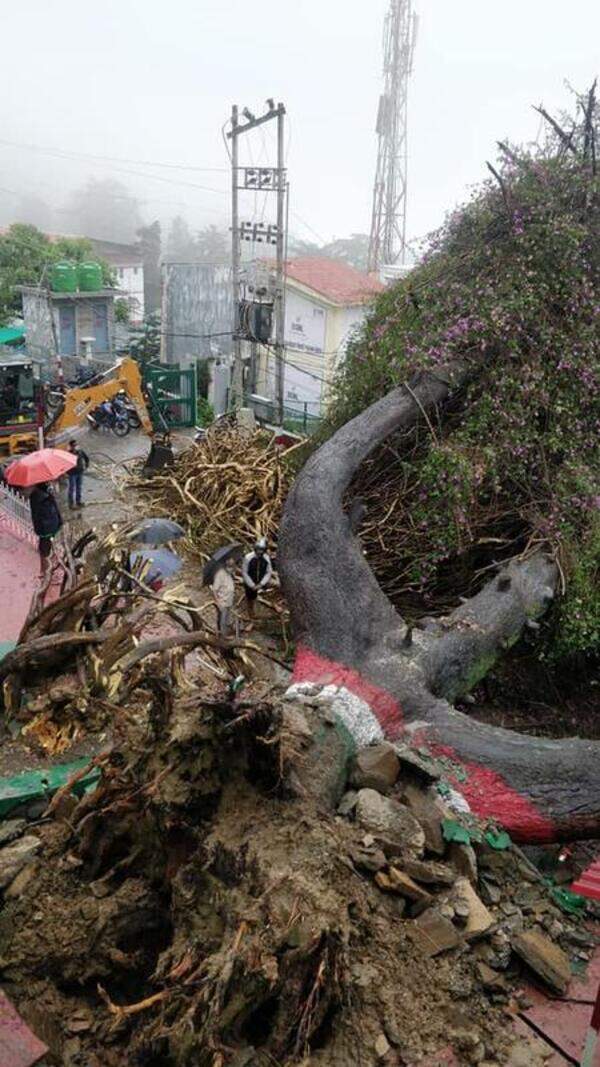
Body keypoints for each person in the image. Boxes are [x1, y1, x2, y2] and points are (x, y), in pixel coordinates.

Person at [29, 482, 63, 576]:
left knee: (44, 550)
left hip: (45, 528)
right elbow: (56, 509)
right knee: (46, 549)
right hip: (50, 526)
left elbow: (35, 515)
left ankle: (44, 571)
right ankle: (46, 570)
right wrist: (60, 521)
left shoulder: (35, 496)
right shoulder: (48, 495)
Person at [242, 537, 273, 618]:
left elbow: (269, 571)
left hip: (261, 580)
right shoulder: (248, 558)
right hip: (250, 581)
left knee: (275, 585)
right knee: (250, 597)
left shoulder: (266, 558)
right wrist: (252, 585)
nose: (260, 552)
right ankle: (250, 612)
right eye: (258, 549)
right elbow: (244, 572)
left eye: (262, 550)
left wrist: (261, 583)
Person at [212, 556, 236, 637]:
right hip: (222, 602)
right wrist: (218, 602)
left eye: (232, 566)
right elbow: (215, 589)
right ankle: (221, 637)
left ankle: (227, 634)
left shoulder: (230, 574)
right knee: (222, 621)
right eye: (230, 566)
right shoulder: (220, 574)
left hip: (229, 601)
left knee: (227, 619)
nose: (231, 568)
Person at [67, 439, 90, 509]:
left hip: (80, 472)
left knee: (79, 488)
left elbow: (86, 458)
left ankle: (78, 502)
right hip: (72, 474)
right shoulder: (68, 454)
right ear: (71, 446)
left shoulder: (80, 452)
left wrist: (86, 465)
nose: (75, 447)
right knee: (72, 488)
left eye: (76, 445)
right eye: (74, 446)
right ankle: (71, 504)